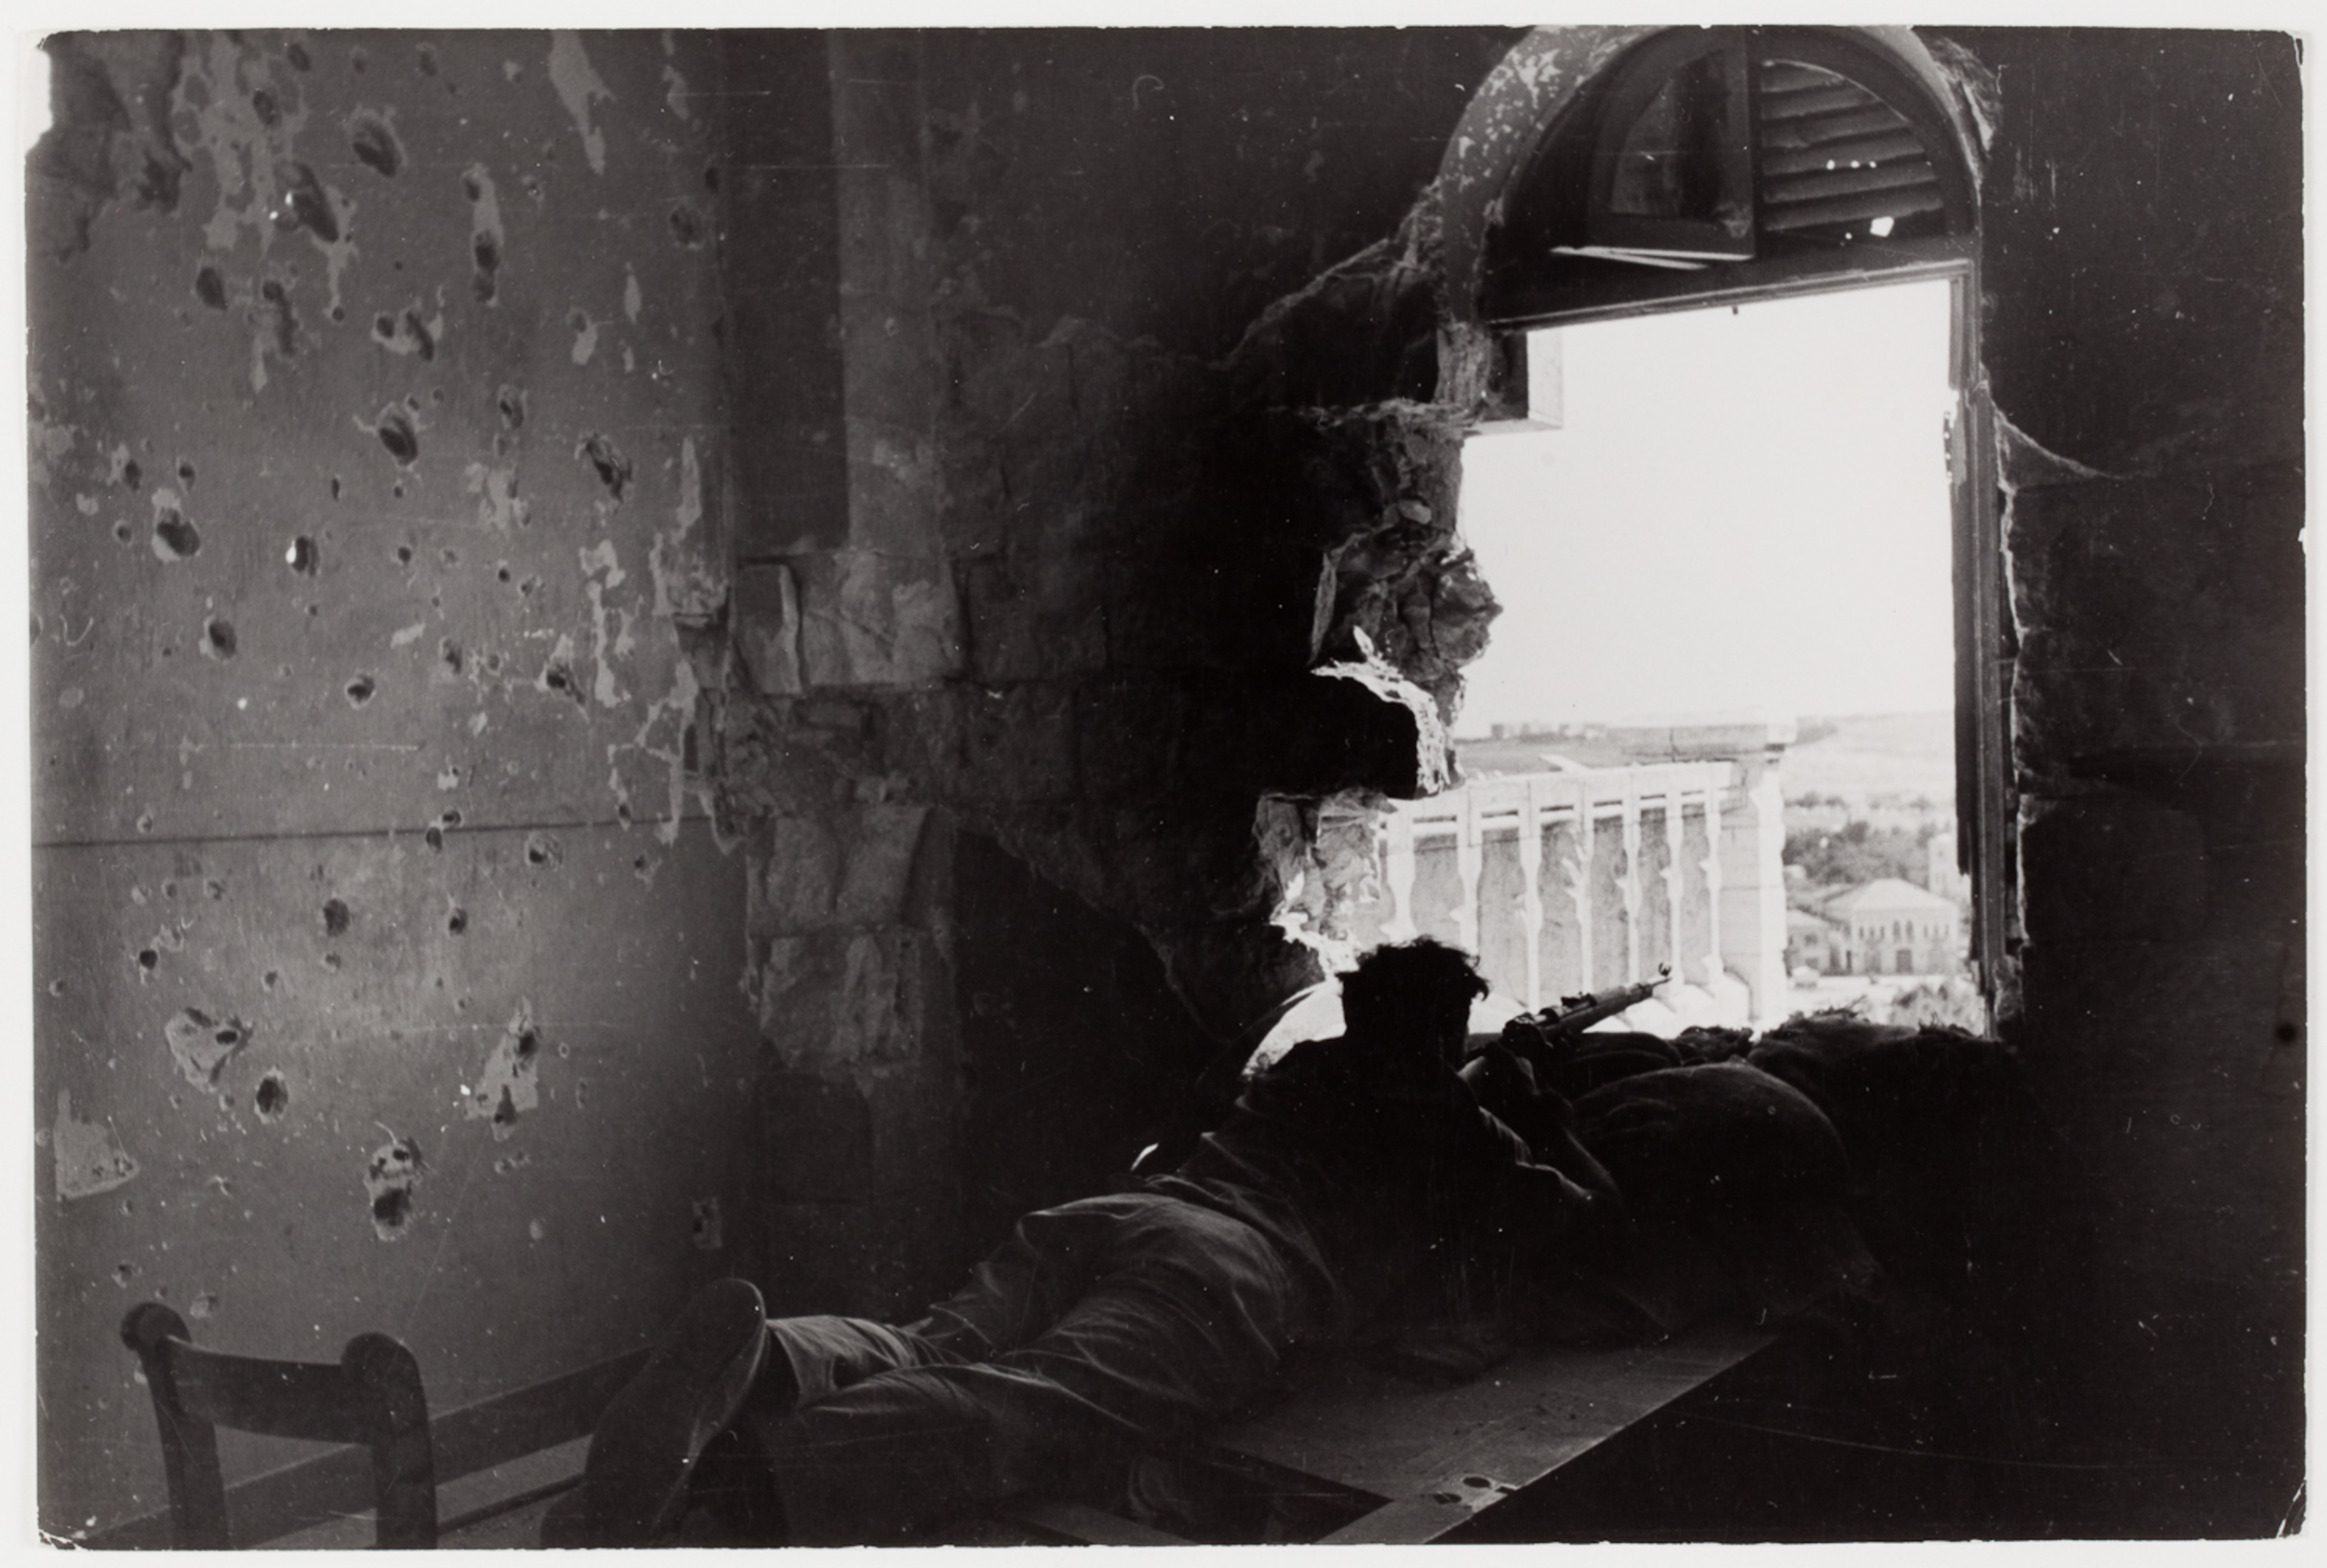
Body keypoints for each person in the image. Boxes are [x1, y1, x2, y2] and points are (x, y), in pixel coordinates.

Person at [542, 938, 1621, 1548]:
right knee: (1030, 1402)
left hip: (1118, 1211)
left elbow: (1362, 1079)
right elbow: (1587, 1218)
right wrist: (1532, 1096)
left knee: (932, 1341)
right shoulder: (1454, 1122)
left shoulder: (1302, 1071)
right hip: (1230, 1273)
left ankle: (769, 1357)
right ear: (1444, 1032)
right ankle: (728, 1488)